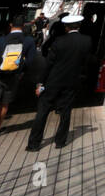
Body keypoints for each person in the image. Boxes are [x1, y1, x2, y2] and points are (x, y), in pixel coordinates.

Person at [26, 13, 91, 151]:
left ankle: (34, 144)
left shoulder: (59, 41)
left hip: (53, 81)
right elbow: (85, 62)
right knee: (66, 112)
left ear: (66, 27)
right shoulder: (87, 41)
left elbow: (48, 64)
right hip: (72, 82)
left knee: (42, 112)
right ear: (79, 26)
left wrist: (40, 83)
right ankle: (60, 142)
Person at [0, 14, 36, 143]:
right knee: (5, 103)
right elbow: (30, 61)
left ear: (10, 25)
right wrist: (21, 72)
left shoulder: (0, 41)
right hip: (14, 76)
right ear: (23, 26)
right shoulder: (28, 41)